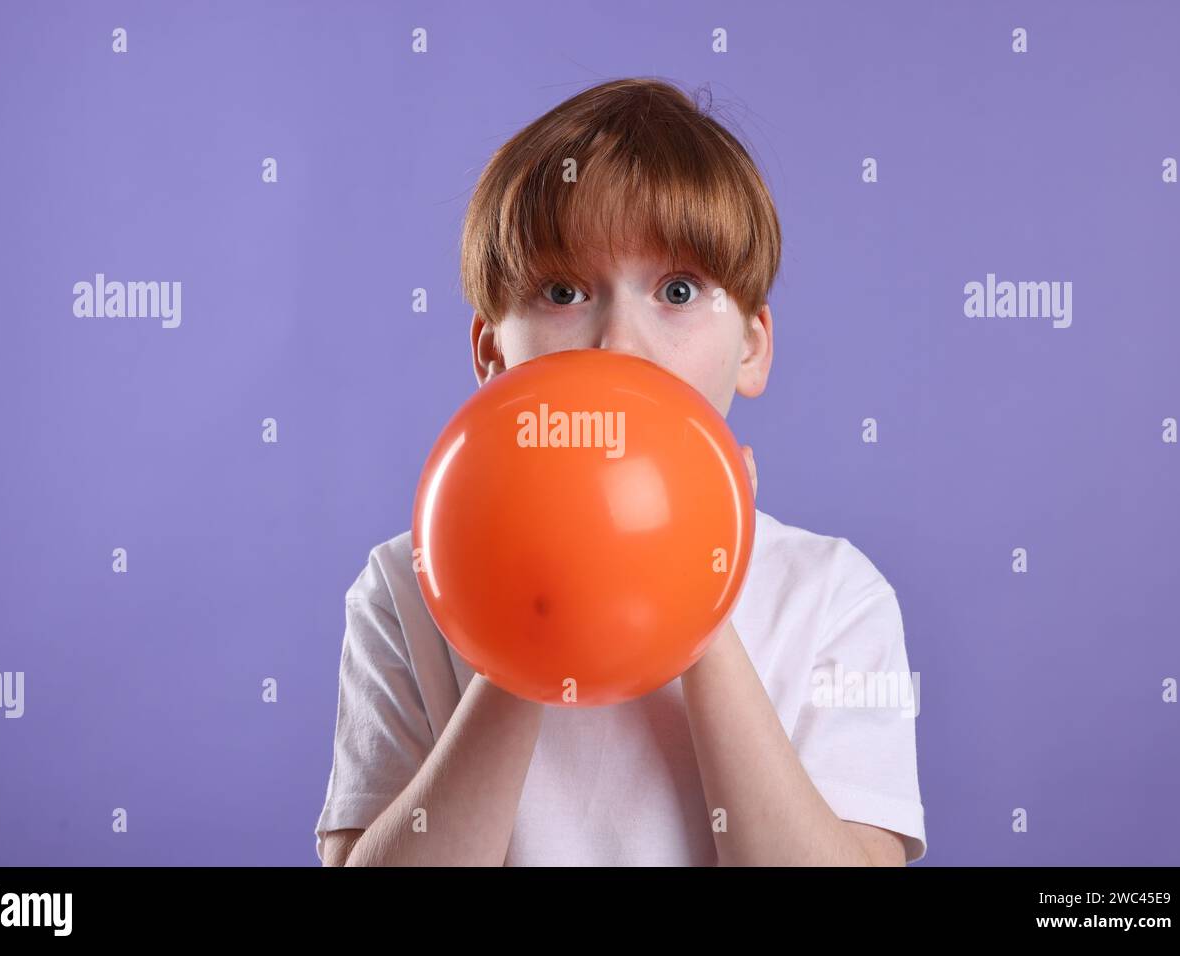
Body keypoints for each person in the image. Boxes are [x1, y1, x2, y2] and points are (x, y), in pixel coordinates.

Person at [315, 77, 926, 866]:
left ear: (751, 346)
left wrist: (692, 585)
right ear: (492, 354)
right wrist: (530, 616)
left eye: (678, 291)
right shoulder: (406, 585)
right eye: (564, 291)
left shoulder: (837, 594)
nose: (619, 346)